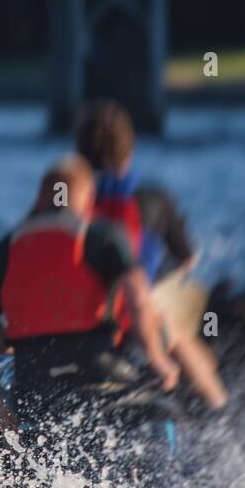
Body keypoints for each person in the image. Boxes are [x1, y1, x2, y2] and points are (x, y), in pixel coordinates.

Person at [0, 154, 178, 424]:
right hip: (98, 371)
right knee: (163, 389)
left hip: (33, 378)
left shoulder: (9, 245)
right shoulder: (103, 236)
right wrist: (158, 359)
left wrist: (17, 346)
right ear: (88, 198)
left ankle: (10, 463)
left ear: (40, 197)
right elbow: (138, 300)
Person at [75, 101, 228, 410]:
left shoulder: (68, 201)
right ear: (128, 149)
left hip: (78, 314)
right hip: (135, 315)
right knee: (179, 333)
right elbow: (187, 259)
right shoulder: (152, 198)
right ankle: (221, 411)